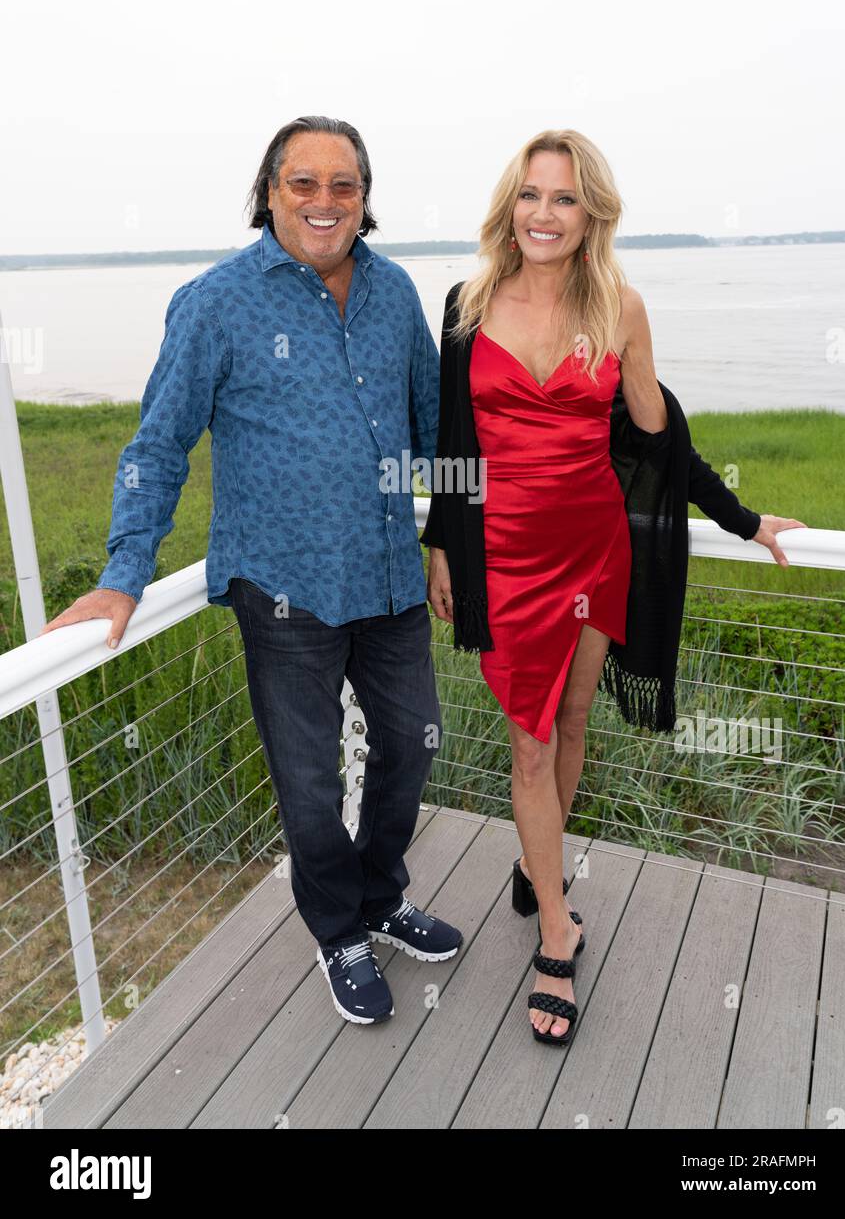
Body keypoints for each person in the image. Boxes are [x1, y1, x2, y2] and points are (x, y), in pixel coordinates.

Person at [42, 115, 463, 1027]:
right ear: (269, 191)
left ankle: (382, 895)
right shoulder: (217, 302)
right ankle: (338, 930)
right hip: (284, 592)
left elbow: (434, 428)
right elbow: (158, 447)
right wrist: (124, 571)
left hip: (389, 579)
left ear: (364, 198)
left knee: (414, 744)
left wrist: (453, 539)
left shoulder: (393, 292)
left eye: (343, 185)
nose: (324, 202)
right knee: (310, 781)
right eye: (302, 183)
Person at [420, 128, 806, 1047]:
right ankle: (558, 929)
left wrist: (742, 518)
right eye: (529, 195)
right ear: (508, 206)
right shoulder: (466, 305)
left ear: (592, 212)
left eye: (562, 198)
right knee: (529, 736)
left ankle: (535, 866)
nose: (543, 214)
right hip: (506, 560)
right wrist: (442, 545)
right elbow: (449, 441)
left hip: (594, 551)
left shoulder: (620, 307)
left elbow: (657, 432)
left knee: (574, 718)